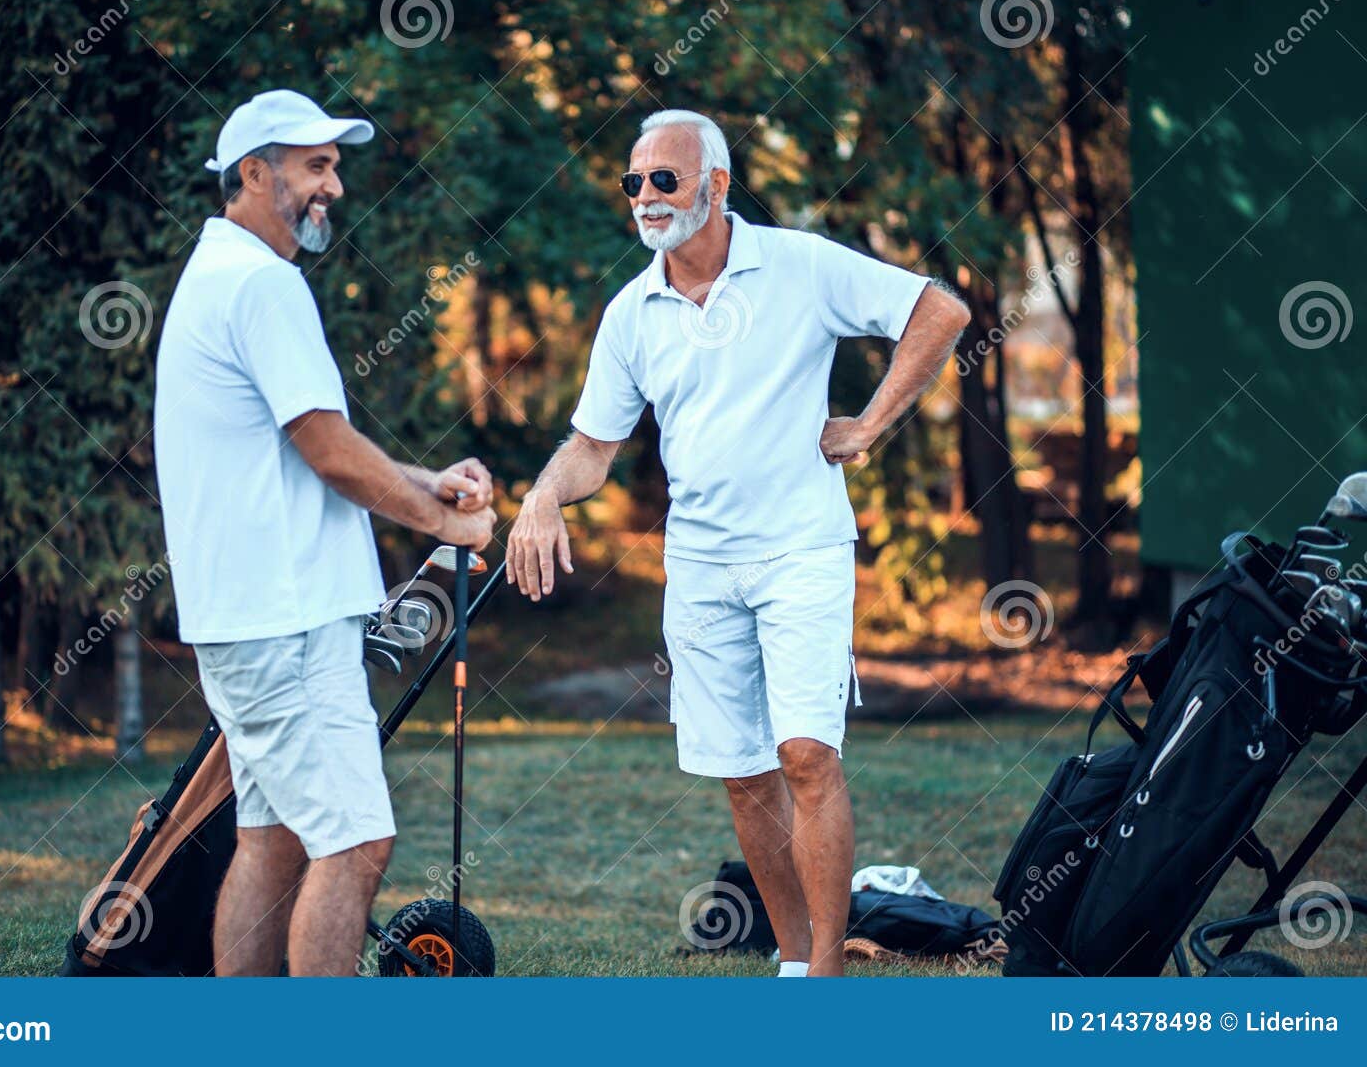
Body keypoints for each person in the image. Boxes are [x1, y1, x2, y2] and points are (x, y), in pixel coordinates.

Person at [505, 109, 970, 977]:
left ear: (717, 185)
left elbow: (939, 309)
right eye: (633, 183)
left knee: (805, 754)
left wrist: (869, 422)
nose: (645, 197)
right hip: (701, 567)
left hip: (802, 550)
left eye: (664, 180)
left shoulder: (798, 264)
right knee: (745, 773)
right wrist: (541, 493)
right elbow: (595, 449)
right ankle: (793, 962)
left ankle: (826, 972)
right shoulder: (629, 311)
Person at [154, 89, 495, 976]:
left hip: (253, 621)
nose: (334, 185)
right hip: (287, 622)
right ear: (254, 174)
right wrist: (443, 524)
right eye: (315, 165)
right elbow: (329, 451)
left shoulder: (222, 273)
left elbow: (307, 450)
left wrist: (433, 484)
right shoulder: (262, 285)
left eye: (335, 165)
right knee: (354, 846)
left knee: (272, 844)